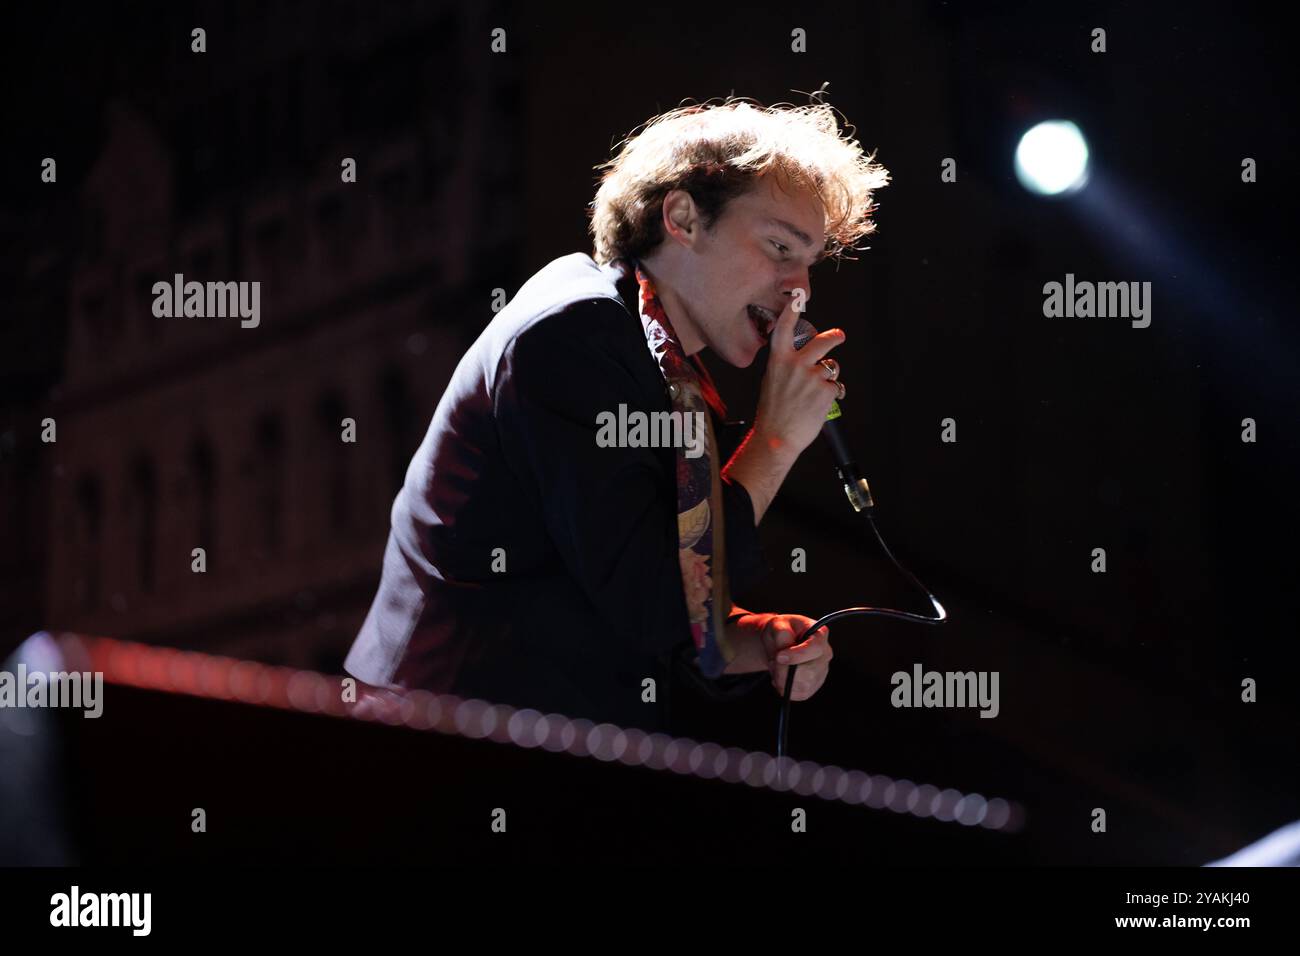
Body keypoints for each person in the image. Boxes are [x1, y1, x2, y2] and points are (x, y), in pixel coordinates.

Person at [343, 97, 890, 734]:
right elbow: (654, 600)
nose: (801, 287)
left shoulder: (662, 367)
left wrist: (750, 639)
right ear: (683, 217)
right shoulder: (572, 333)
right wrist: (774, 439)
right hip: (439, 742)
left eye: (808, 263)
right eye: (778, 247)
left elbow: (631, 583)